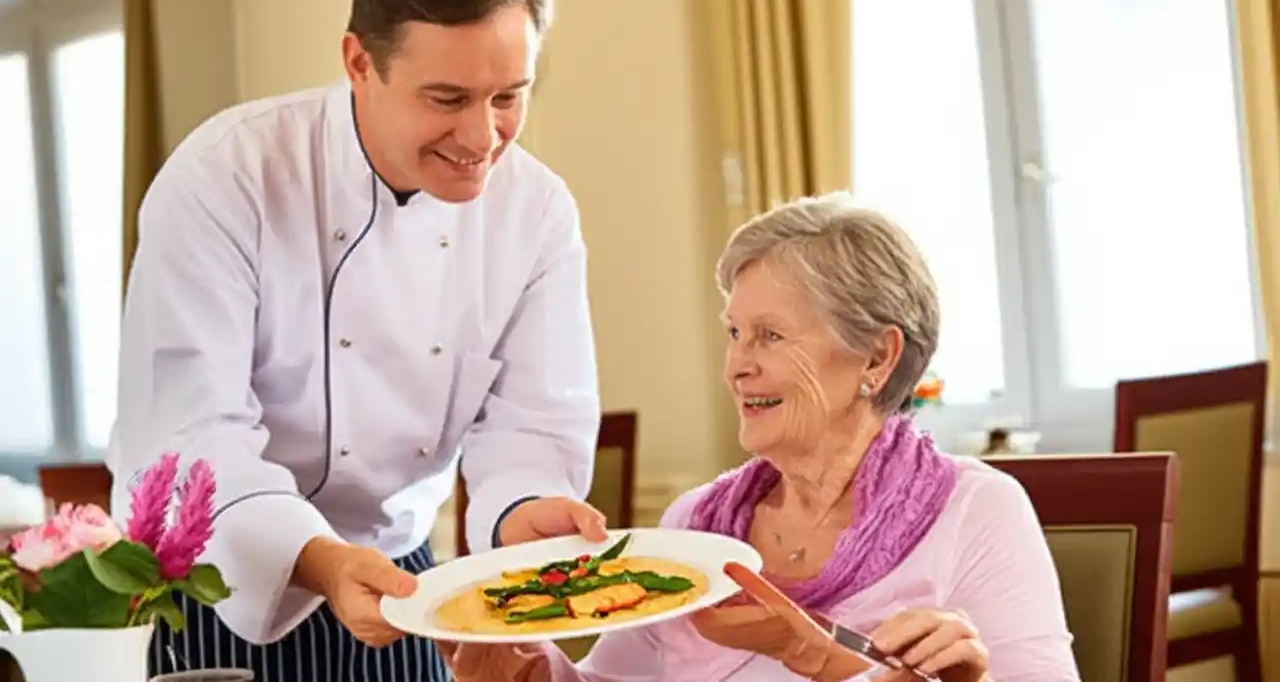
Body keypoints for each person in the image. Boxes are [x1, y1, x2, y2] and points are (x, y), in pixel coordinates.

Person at [106, 0, 608, 680]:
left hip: (402, 587)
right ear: (358, 62)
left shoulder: (536, 211)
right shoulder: (229, 175)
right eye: (447, 98)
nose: (482, 136)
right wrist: (322, 561)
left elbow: (532, 425)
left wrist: (522, 511)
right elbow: (190, 431)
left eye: (508, 96)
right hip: (226, 585)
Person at [436, 193, 1081, 681]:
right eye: (735, 333)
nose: (737, 365)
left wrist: (809, 651)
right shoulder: (698, 525)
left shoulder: (976, 512)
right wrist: (529, 672)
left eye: (771, 336)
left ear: (877, 359)